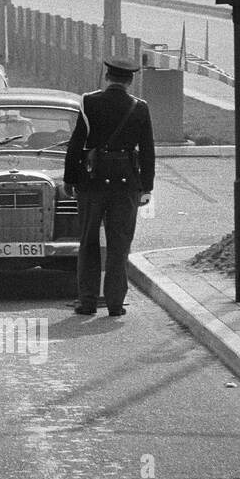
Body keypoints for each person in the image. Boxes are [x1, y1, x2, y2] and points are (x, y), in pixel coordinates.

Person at [63, 56, 155, 318]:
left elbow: (76, 144)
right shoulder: (139, 107)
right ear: (130, 80)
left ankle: (88, 301)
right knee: (119, 244)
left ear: (107, 78)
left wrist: (70, 179)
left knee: (88, 242)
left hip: (92, 182)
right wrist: (146, 187)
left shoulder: (89, 102)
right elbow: (147, 151)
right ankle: (115, 303)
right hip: (127, 184)